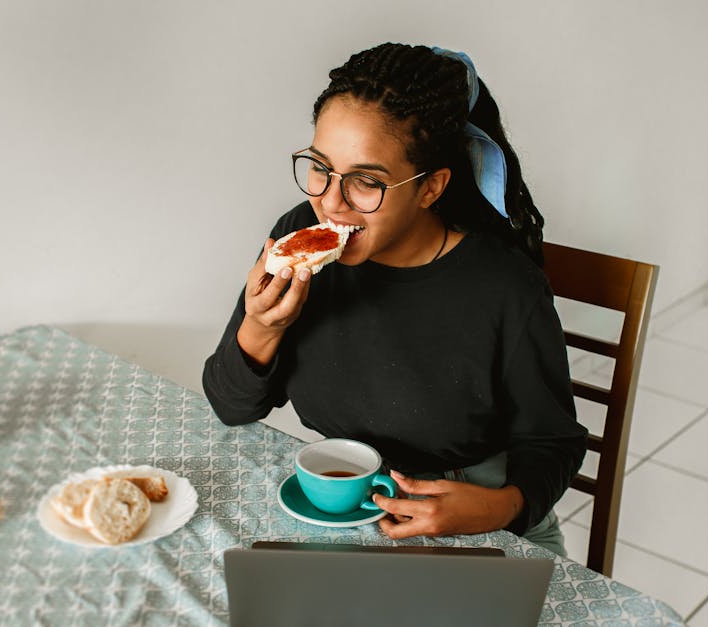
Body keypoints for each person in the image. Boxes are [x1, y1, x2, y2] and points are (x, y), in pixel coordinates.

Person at [201, 42, 585, 556]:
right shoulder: (299, 234)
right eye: (319, 167)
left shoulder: (504, 287)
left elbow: (553, 442)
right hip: (342, 502)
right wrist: (262, 327)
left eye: (366, 180)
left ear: (430, 188)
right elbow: (231, 407)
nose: (330, 203)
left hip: (479, 513)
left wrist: (496, 507)